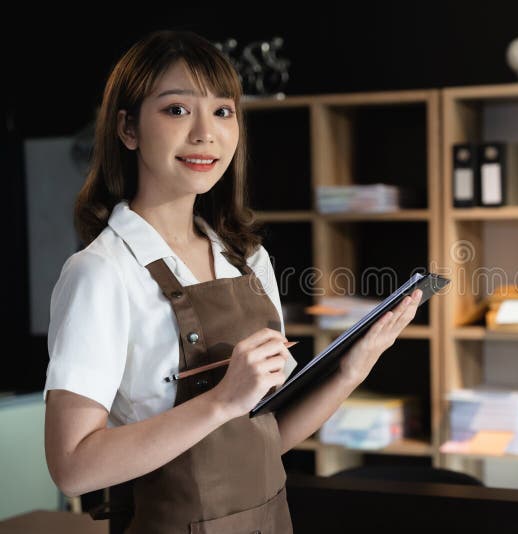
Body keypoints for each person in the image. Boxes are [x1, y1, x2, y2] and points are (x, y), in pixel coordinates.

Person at [43, 30, 421, 534]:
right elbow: (73, 467)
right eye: (177, 109)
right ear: (128, 129)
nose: (206, 133)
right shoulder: (101, 272)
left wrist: (351, 370)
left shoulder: (247, 261)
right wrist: (221, 400)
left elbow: (265, 437)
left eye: (223, 111)